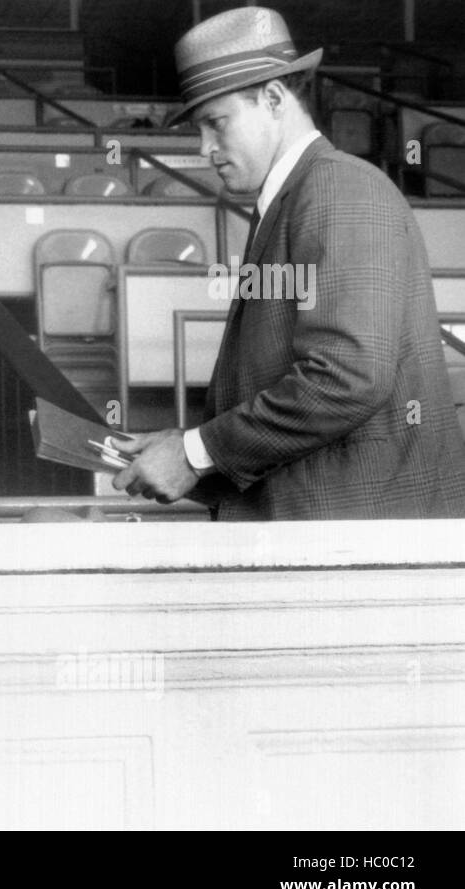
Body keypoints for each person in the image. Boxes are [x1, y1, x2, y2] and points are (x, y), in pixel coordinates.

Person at [112, 7, 465, 520]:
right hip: (328, 533)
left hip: (355, 542)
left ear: (274, 99)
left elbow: (347, 376)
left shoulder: (338, 189)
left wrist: (195, 453)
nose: (205, 148)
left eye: (216, 123)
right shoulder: (293, 197)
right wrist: (187, 447)